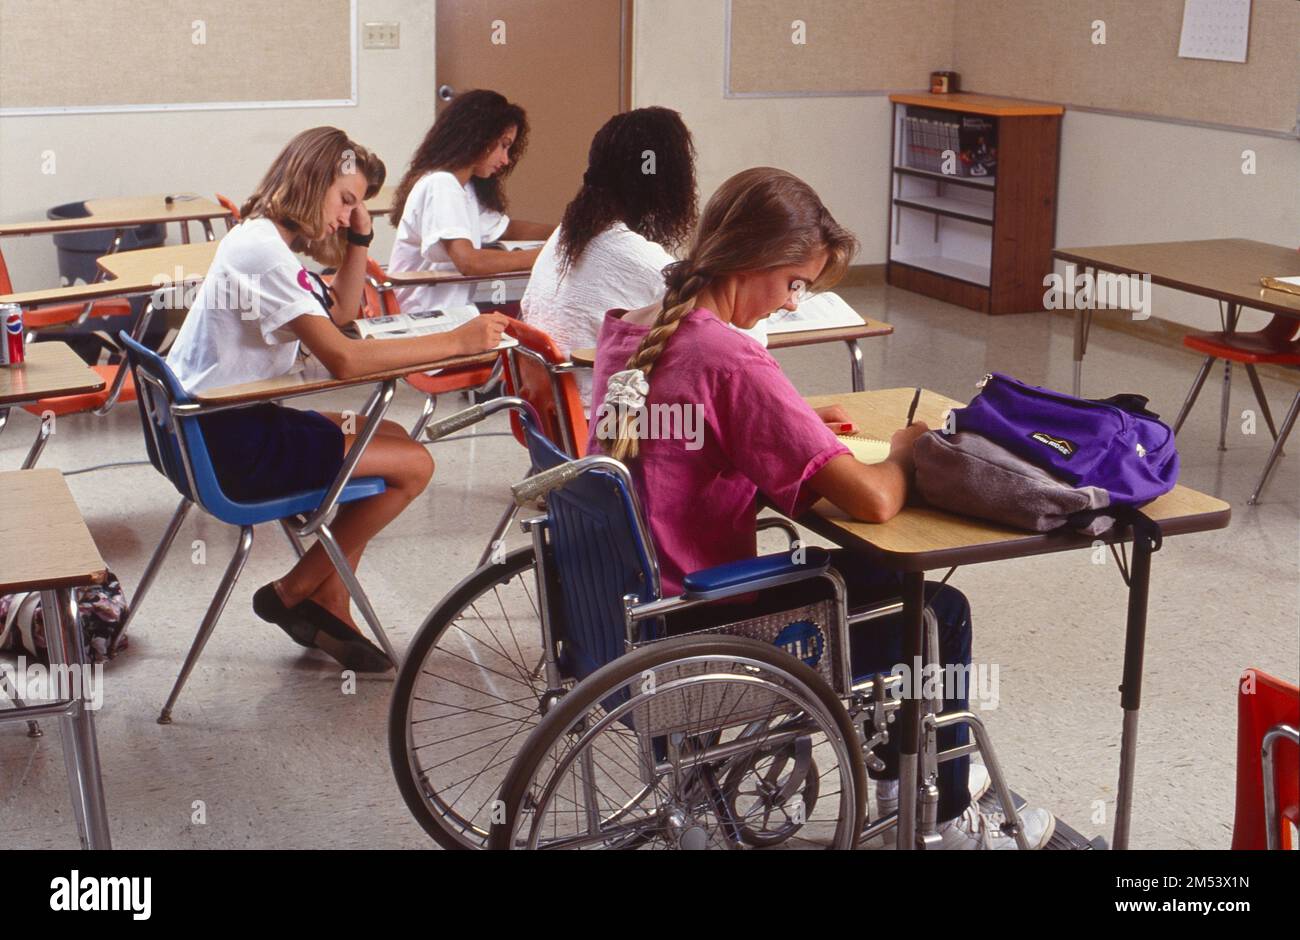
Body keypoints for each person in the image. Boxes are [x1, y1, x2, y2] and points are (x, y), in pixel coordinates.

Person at [587, 166, 1055, 849]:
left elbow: (681, 423)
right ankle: (947, 821)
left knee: (856, 578)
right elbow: (871, 502)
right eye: (794, 283)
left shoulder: (631, 329)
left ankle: (900, 781)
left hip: (623, 616)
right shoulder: (731, 360)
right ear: (754, 261)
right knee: (932, 610)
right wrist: (903, 448)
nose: (790, 303)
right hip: (701, 626)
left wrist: (791, 417)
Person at [166, 126, 509, 672]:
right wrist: (457, 341)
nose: (346, 215)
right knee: (415, 465)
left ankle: (330, 600)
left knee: (389, 436)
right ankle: (291, 592)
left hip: (221, 424)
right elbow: (342, 359)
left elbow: (344, 314)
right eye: (345, 200)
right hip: (229, 445)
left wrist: (360, 239)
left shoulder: (265, 239)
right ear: (311, 180)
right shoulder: (262, 253)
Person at [521, 107, 700, 408]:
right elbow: (731, 332)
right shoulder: (639, 259)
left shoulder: (565, 235)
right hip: (607, 424)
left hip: (552, 420)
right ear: (666, 179)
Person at [388, 89, 554, 315]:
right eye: (503, 145)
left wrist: (566, 233)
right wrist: (545, 255)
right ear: (479, 137)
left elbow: (506, 228)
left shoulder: (465, 188)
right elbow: (470, 262)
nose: (505, 159)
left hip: (450, 311)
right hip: (428, 316)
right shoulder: (442, 184)